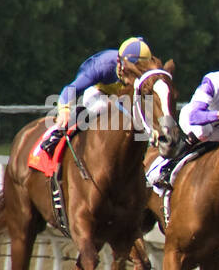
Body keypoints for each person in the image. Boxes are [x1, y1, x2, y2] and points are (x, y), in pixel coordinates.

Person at [31, 37, 153, 174]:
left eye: (137, 72)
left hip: (123, 99)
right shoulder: (102, 66)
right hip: (99, 93)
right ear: (119, 62)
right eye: (129, 71)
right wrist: (64, 110)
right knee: (102, 106)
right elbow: (70, 89)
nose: (132, 77)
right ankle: (57, 134)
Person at [148, 52, 219, 191]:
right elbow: (195, 116)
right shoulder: (211, 82)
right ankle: (165, 169)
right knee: (205, 131)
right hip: (195, 123)